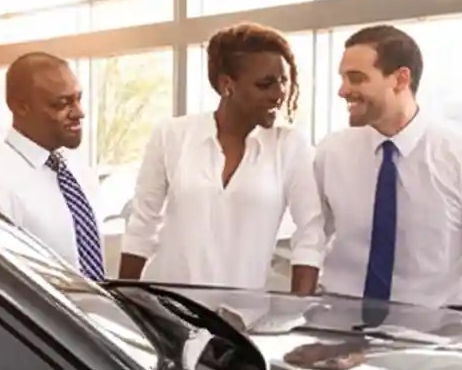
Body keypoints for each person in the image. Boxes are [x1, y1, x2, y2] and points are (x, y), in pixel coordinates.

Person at [313, 24, 462, 331]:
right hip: (337, 330)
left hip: (434, 338)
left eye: (356, 78)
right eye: (342, 78)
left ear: (400, 79)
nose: (343, 90)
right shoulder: (332, 151)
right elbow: (308, 240)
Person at [118, 23, 325, 294]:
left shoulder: (291, 145)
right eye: (265, 84)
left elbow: (310, 233)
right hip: (166, 308)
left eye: (284, 81)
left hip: (242, 317)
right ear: (227, 84)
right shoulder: (172, 134)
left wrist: (300, 308)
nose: (278, 94)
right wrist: (121, 301)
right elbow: (143, 225)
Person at [0, 52, 105, 280]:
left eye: (78, 98)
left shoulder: (79, 172)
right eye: (62, 103)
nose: (79, 112)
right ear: (21, 107)